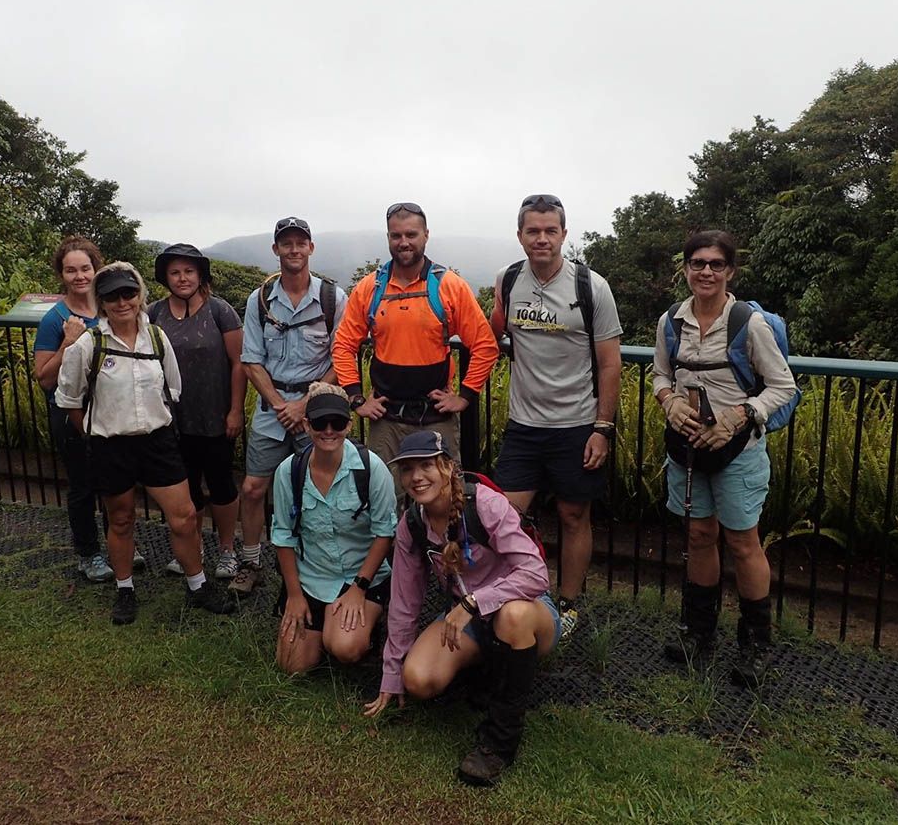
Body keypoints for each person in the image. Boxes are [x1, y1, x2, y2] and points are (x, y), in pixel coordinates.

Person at [364, 431, 561, 787]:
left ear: (448, 467)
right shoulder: (412, 524)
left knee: (512, 616)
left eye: (426, 465)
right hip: (468, 620)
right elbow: (404, 604)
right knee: (419, 679)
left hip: (527, 614)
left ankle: (499, 743)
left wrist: (474, 602)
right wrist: (391, 674)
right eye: (408, 469)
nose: (417, 477)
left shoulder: (485, 504)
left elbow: (536, 574)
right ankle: (486, 671)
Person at [651, 230, 796, 686]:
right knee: (698, 534)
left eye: (715, 264)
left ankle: (757, 644)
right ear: (686, 269)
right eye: (697, 263)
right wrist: (670, 402)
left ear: (730, 271)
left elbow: (783, 385)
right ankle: (699, 632)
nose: (706, 271)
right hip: (688, 447)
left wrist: (739, 415)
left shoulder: (747, 324)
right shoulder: (670, 321)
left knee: (742, 542)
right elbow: (660, 374)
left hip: (740, 450)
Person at [56, 262, 236, 625]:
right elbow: (70, 401)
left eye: (129, 293)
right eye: (112, 296)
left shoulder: (156, 338)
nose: (122, 302)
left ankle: (197, 584)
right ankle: (125, 588)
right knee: (121, 519)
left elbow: (172, 388)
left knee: (184, 516)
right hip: (111, 445)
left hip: (157, 441)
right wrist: (97, 431)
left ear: (140, 296)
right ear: (100, 302)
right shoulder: (87, 346)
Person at [489, 194, 623, 631]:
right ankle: (517, 592)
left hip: (576, 424)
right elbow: (494, 336)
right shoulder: (508, 280)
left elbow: (609, 362)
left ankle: (568, 604)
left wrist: (602, 428)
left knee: (573, 514)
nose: (541, 239)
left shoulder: (591, 286)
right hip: (524, 425)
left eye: (550, 231)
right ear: (520, 235)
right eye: (533, 231)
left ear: (564, 234)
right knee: (505, 514)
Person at [332, 202, 498, 476]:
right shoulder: (371, 288)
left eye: (411, 235)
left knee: (444, 499)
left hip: (436, 416)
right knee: (385, 501)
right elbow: (344, 344)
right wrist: (357, 399)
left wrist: (465, 396)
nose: (404, 242)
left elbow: (484, 344)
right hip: (386, 418)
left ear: (426, 235)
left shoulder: (448, 286)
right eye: (396, 236)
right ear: (388, 238)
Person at [238, 217, 347, 596]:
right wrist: (282, 405)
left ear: (311, 248)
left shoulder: (333, 298)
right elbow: (251, 359)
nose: (294, 250)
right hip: (272, 410)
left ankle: (316, 565)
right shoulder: (260, 299)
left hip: (315, 412)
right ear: (276, 250)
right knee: (253, 488)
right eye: (287, 244)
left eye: (301, 243)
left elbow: (342, 360)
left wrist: (304, 405)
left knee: (319, 488)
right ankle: (251, 561)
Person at [271, 384, 397, 674]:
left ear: (350, 425)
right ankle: (326, 627)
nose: (329, 430)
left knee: (345, 647)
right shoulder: (289, 472)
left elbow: (384, 533)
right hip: (312, 576)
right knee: (291, 664)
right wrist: (294, 594)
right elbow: (283, 535)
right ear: (306, 424)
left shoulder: (372, 469)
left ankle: (360, 629)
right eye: (319, 423)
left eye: (337, 422)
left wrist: (358, 589)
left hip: (361, 575)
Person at [147, 243, 247, 580]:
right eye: (175, 272)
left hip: (215, 416)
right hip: (171, 419)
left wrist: (236, 410)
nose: (182, 278)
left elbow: (238, 364)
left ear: (200, 274)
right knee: (185, 487)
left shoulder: (221, 311)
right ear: (166, 277)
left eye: (189, 271)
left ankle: (227, 549)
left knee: (221, 485)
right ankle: (194, 548)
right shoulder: (153, 313)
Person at [33, 235, 123, 582]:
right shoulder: (55, 319)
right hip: (70, 412)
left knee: (116, 479)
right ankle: (89, 553)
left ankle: (119, 542)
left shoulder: (109, 309)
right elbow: (43, 378)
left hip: (109, 407)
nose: (79, 276)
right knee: (83, 485)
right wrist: (68, 343)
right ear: (61, 275)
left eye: (85, 268)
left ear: (96, 269)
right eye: (71, 270)